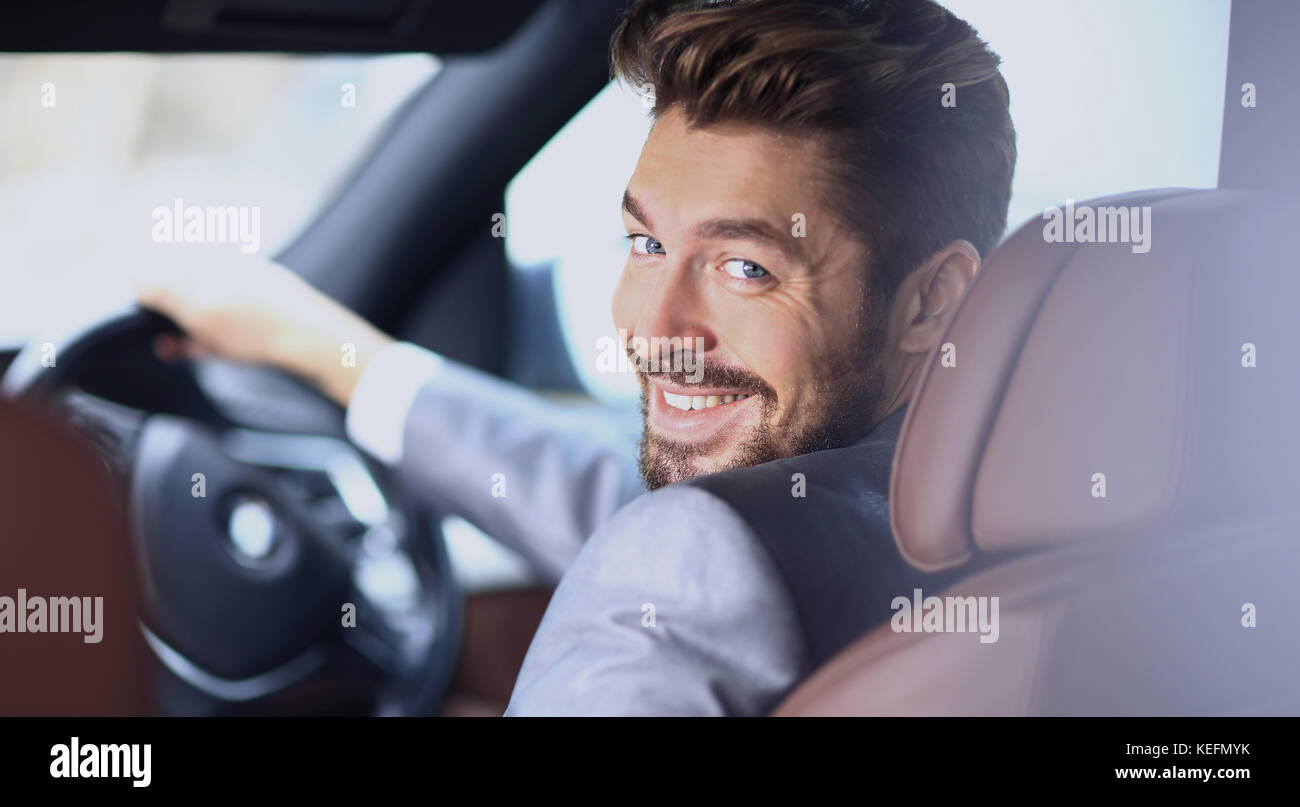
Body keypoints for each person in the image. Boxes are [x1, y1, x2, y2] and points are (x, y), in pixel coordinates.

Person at [138, 0, 1016, 715]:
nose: (649, 323)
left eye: (745, 266)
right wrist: (338, 356)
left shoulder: (704, 558)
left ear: (932, 299)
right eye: (642, 244)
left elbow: (694, 554)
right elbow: (658, 515)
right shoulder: (999, 500)